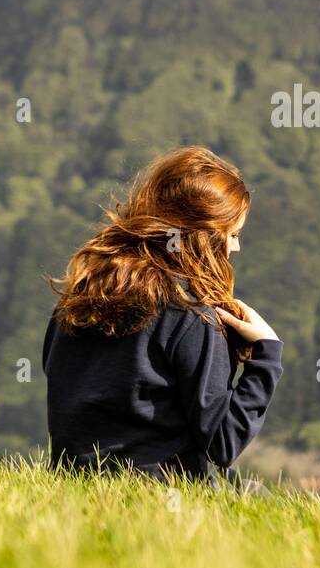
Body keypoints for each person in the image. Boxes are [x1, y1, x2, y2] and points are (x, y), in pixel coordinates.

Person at [42, 145, 283, 490]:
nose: (236, 249)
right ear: (206, 236)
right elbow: (223, 444)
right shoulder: (190, 315)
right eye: (232, 235)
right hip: (164, 495)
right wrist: (266, 353)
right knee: (256, 498)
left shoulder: (78, 298)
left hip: (72, 486)